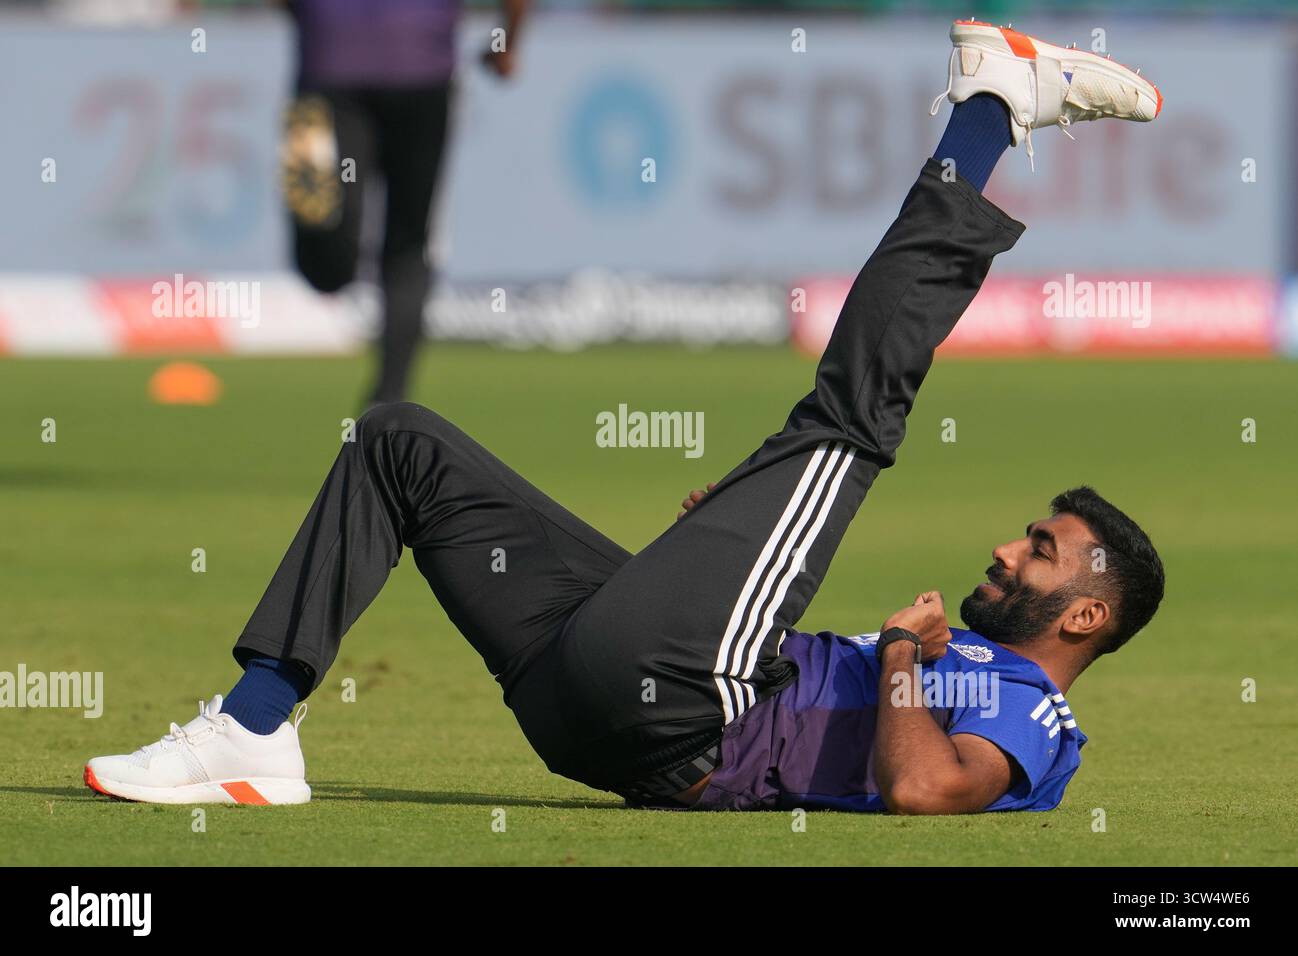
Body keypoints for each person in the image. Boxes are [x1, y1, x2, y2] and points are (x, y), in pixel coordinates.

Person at [86, 21, 1164, 813]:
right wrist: (716, 554)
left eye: (1040, 551)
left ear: (1082, 617)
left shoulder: (1035, 713)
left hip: (687, 717)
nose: (1005, 547)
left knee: (848, 417)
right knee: (396, 441)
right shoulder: (967, 662)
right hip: (596, 687)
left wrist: (890, 649)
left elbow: (925, 787)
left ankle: (991, 109)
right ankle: (253, 728)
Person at [282, 0, 531, 406]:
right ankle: (387, 392)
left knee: (403, 237)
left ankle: (388, 399)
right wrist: (507, 43)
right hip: (391, 65)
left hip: (360, 65)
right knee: (396, 243)